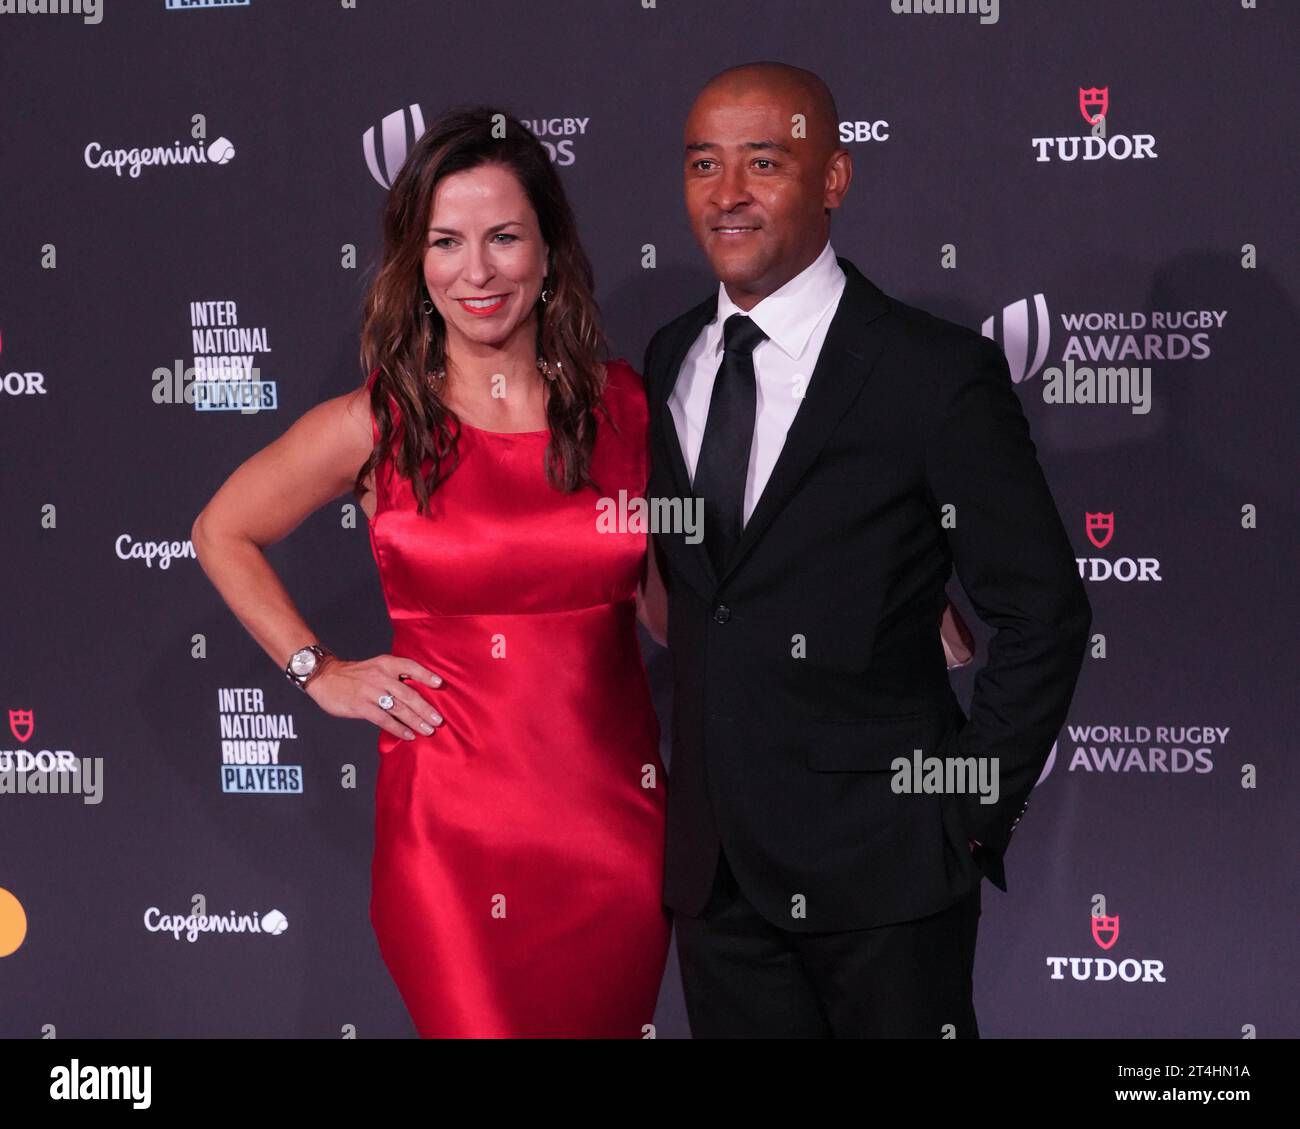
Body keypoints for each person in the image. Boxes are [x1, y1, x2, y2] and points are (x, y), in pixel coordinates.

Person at [191, 106, 671, 1037]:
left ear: (549, 251)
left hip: (613, 834)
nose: (476, 271)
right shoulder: (375, 425)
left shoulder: (628, 409)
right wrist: (317, 670)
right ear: (415, 261)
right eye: (446, 242)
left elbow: (672, 612)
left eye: (503, 237)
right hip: (450, 839)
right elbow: (222, 530)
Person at [643, 62, 1092, 1037]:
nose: (727, 194)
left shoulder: (932, 373)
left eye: (763, 162)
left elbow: (1043, 612)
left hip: (887, 876)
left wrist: (962, 820)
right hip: (715, 885)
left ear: (834, 179)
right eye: (703, 166)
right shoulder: (665, 358)